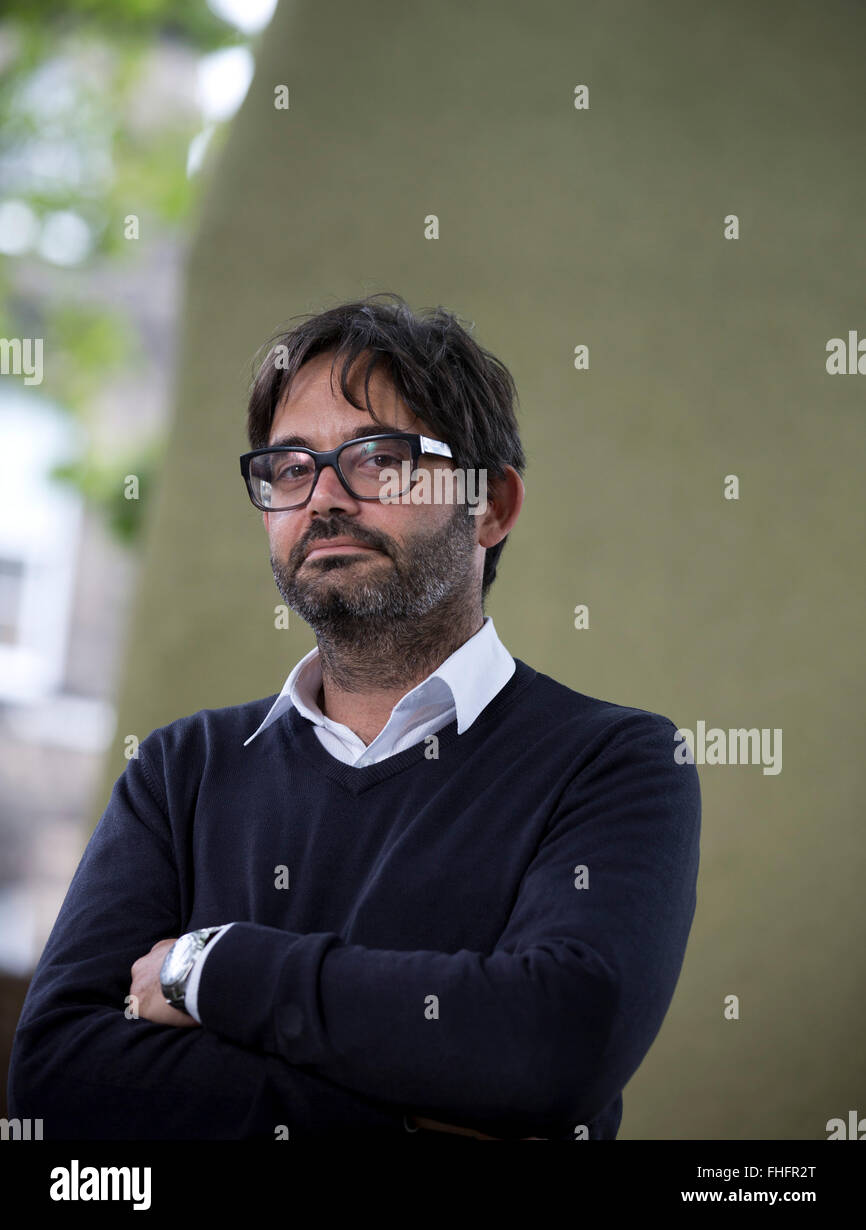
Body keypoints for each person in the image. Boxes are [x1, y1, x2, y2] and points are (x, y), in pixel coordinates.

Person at [7, 293, 700, 1140]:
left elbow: (554, 1047)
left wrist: (210, 964)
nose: (324, 498)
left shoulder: (614, 764)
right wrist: (409, 1110)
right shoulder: (179, 771)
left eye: (377, 457)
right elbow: (57, 1078)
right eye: (291, 467)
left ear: (490, 504)